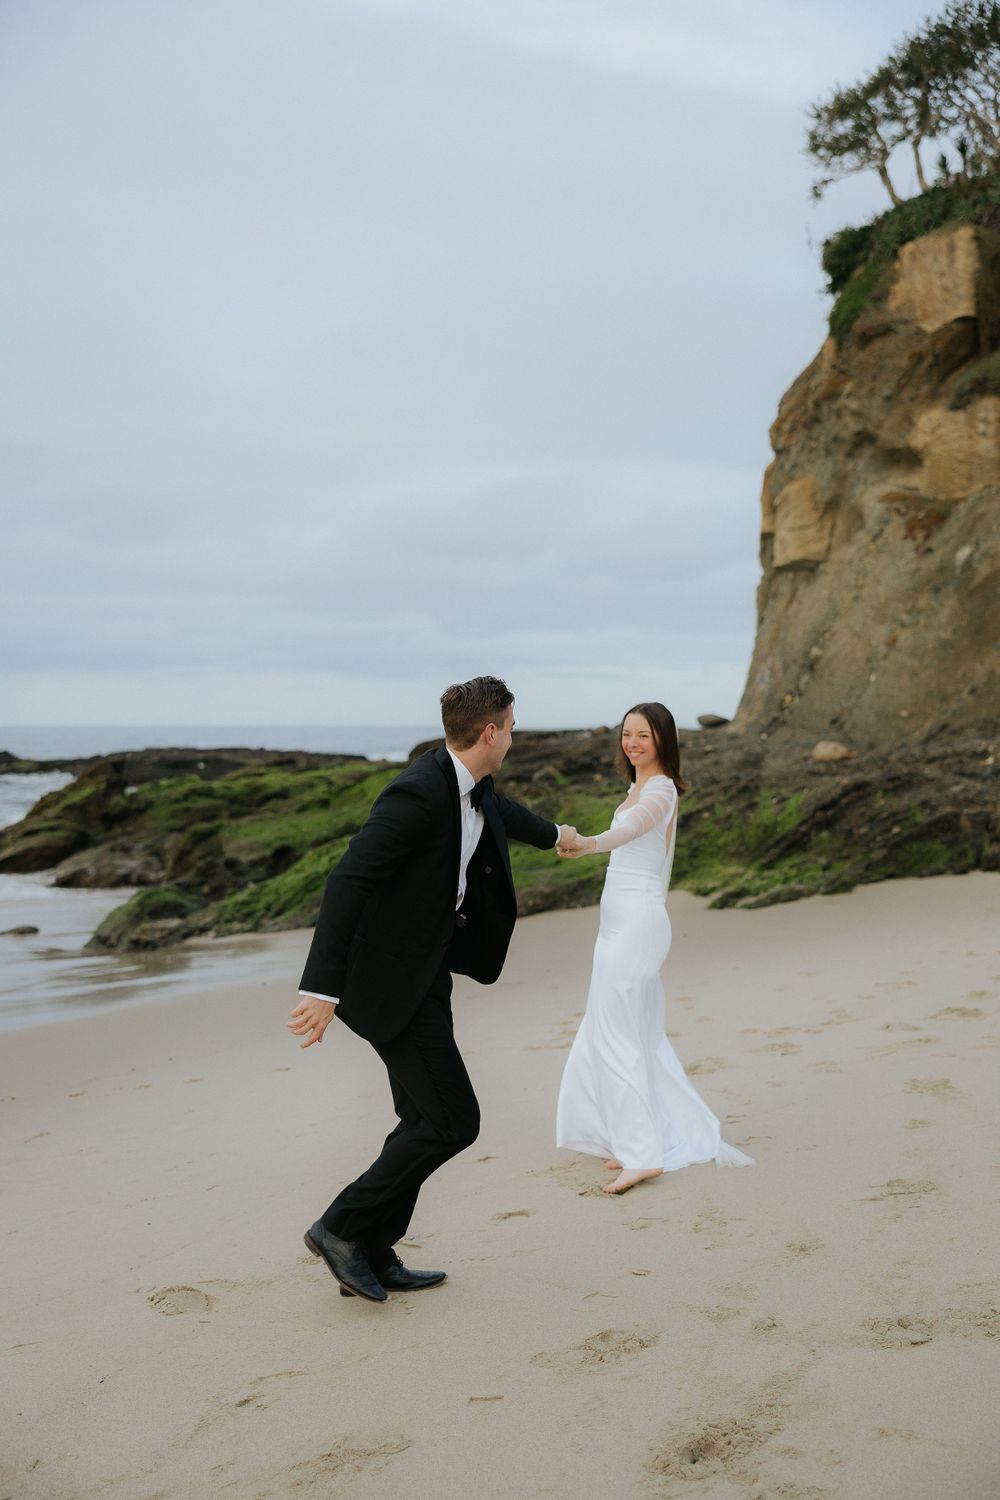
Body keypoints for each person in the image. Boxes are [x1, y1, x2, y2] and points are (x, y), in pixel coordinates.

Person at [289, 676, 579, 1301]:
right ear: (490, 731)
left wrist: (557, 836)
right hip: (384, 982)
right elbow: (346, 883)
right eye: (512, 727)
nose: (514, 738)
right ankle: (339, 1227)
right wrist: (321, 988)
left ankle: (371, 1246)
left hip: (425, 970)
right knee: (453, 1121)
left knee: (419, 1116)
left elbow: (502, 814)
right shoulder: (417, 794)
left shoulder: (468, 785)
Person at [555, 702, 754, 1195]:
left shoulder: (661, 790)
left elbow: (632, 829)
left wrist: (587, 843)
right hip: (617, 924)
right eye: (627, 734)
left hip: (639, 925)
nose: (632, 742)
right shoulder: (636, 786)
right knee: (620, 1030)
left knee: (621, 1034)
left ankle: (643, 1155)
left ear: (663, 740)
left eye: (643, 735)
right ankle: (632, 1139)